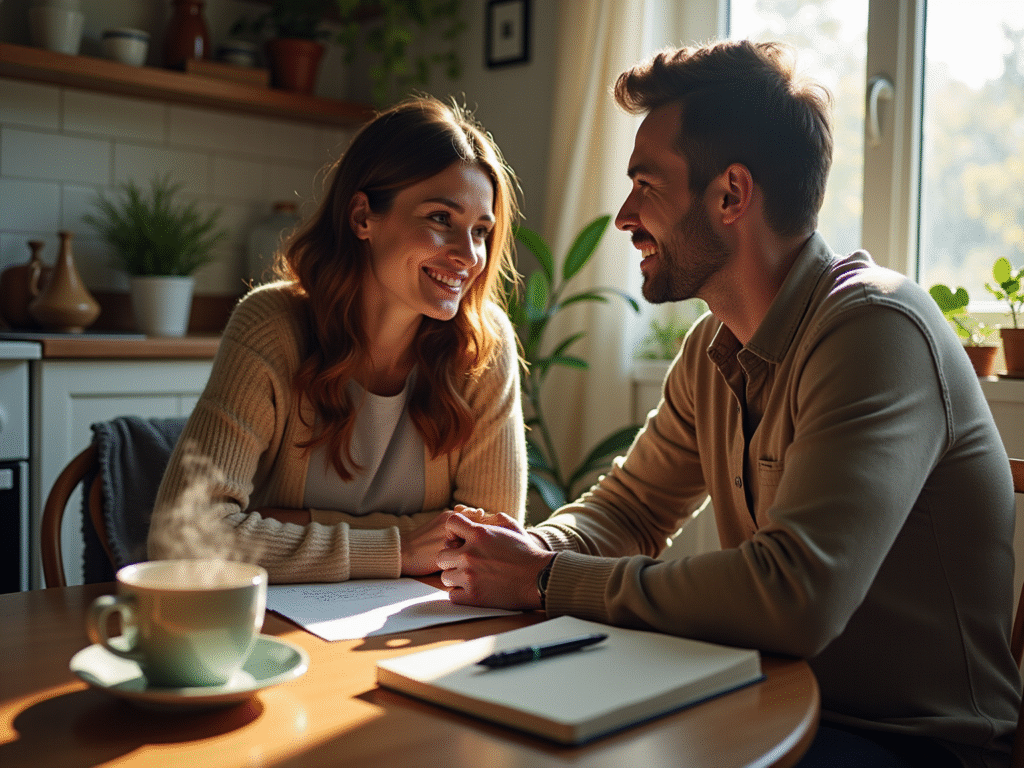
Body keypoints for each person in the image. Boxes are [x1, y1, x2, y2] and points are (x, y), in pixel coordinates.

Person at [437, 41, 1021, 767]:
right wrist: (527, 553)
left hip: (909, 743)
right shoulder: (713, 347)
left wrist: (546, 581)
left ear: (731, 195)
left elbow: (793, 595)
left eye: (645, 185)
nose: (623, 216)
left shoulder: (876, 328)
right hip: (764, 697)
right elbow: (631, 511)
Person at [148, 96, 527, 584]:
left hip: (416, 633)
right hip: (275, 633)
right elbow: (183, 537)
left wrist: (297, 525)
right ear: (362, 217)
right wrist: (403, 547)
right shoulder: (272, 325)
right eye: (440, 219)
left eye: (480, 231)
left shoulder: (483, 345)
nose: (468, 255)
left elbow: (490, 545)